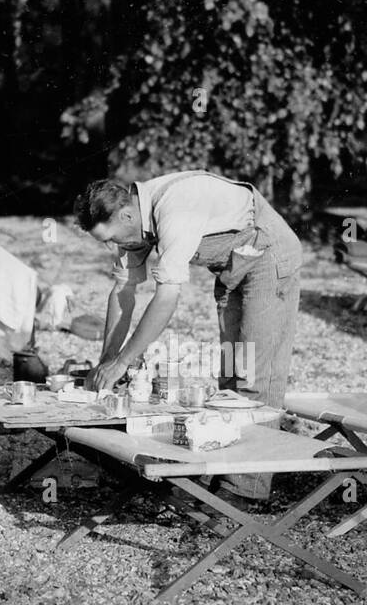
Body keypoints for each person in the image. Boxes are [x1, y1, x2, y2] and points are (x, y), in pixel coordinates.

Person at [74, 170, 302, 500]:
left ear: (126, 214)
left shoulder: (173, 210)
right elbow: (124, 290)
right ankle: (228, 466)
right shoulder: (133, 219)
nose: (112, 246)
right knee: (230, 375)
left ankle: (247, 489)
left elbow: (166, 298)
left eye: (111, 239)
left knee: (254, 373)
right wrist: (107, 361)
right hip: (234, 265)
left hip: (268, 254)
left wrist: (124, 362)